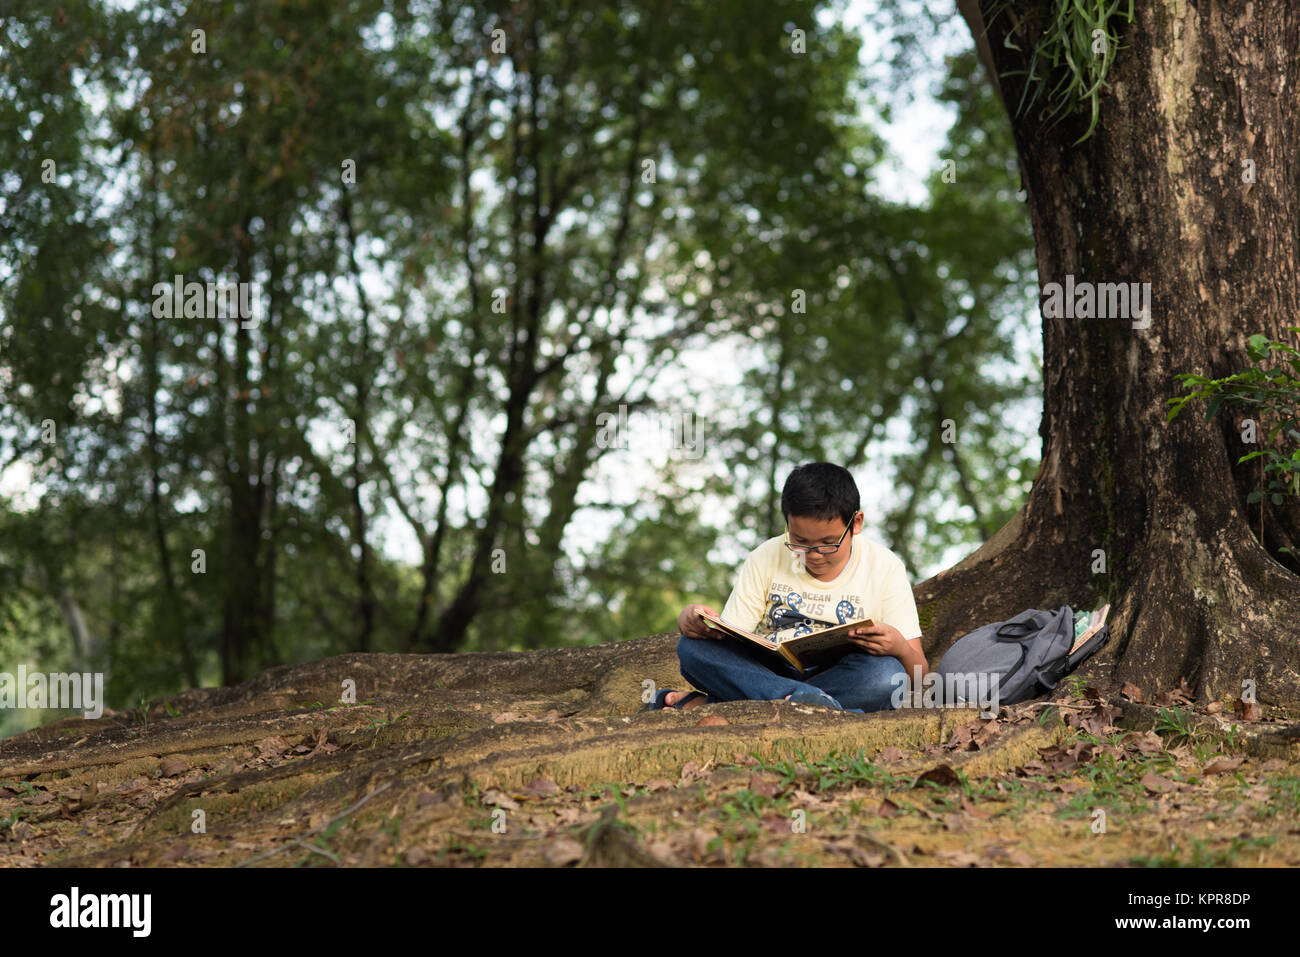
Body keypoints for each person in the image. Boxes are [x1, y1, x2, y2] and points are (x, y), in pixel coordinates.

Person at [650, 462, 927, 713]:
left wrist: (900, 647)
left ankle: (733, 704)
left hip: (842, 673)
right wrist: (694, 620)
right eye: (799, 541)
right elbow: (730, 641)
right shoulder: (765, 556)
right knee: (692, 649)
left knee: (889, 675)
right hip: (768, 669)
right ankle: (814, 704)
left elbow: (920, 675)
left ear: (856, 523)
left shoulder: (885, 567)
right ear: (787, 523)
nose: (814, 554)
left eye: (828, 543)